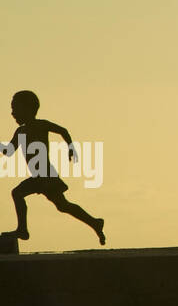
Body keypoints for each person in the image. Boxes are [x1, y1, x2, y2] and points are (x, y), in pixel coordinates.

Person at [0, 90, 105, 245]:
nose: (13, 113)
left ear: (28, 109)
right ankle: (95, 222)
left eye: (15, 108)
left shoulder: (40, 125)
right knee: (63, 205)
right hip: (39, 176)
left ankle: (23, 229)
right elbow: (8, 151)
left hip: (46, 175)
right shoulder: (20, 131)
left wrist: (70, 147)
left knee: (18, 193)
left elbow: (63, 130)